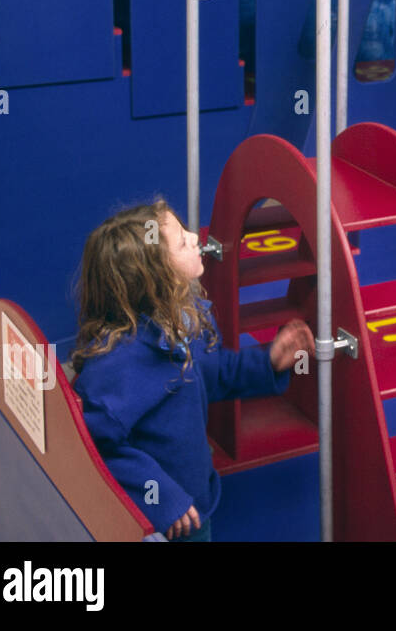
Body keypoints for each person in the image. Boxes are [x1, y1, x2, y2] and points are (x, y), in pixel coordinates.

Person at [70, 200, 314, 541]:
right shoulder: (120, 363)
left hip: (195, 508)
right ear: (156, 278)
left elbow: (216, 374)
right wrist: (159, 495)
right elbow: (94, 445)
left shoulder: (185, 322)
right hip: (156, 520)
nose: (195, 237)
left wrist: (269, 360)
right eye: (184, 241)